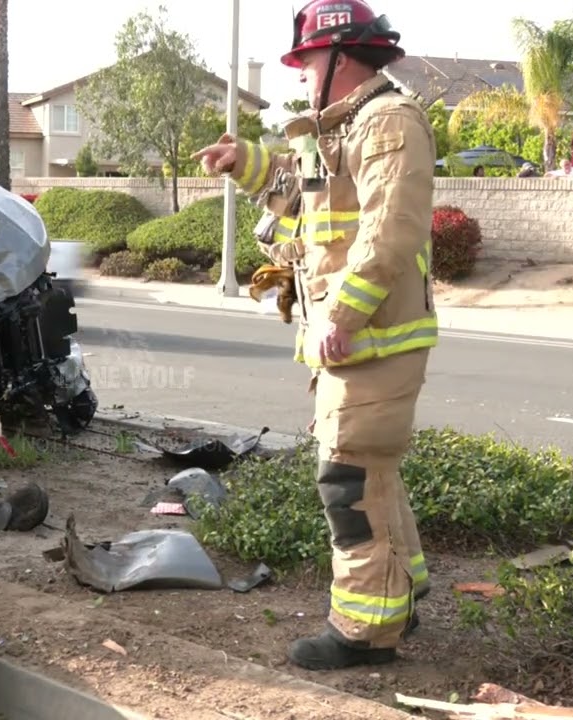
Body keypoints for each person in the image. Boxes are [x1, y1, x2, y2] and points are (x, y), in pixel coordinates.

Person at [192, 0, 436, 671]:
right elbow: (302, 197)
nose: (300, 77)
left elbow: (391, 232)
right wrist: (246, 162)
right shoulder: (351, 126)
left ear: (339, 57)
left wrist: (343, 317)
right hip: (360, 343)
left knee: (349, 481)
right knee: (371, 470)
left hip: (372, 340)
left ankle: (365, 631)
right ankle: (403, 591)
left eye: (306, 64)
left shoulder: (387, 122)